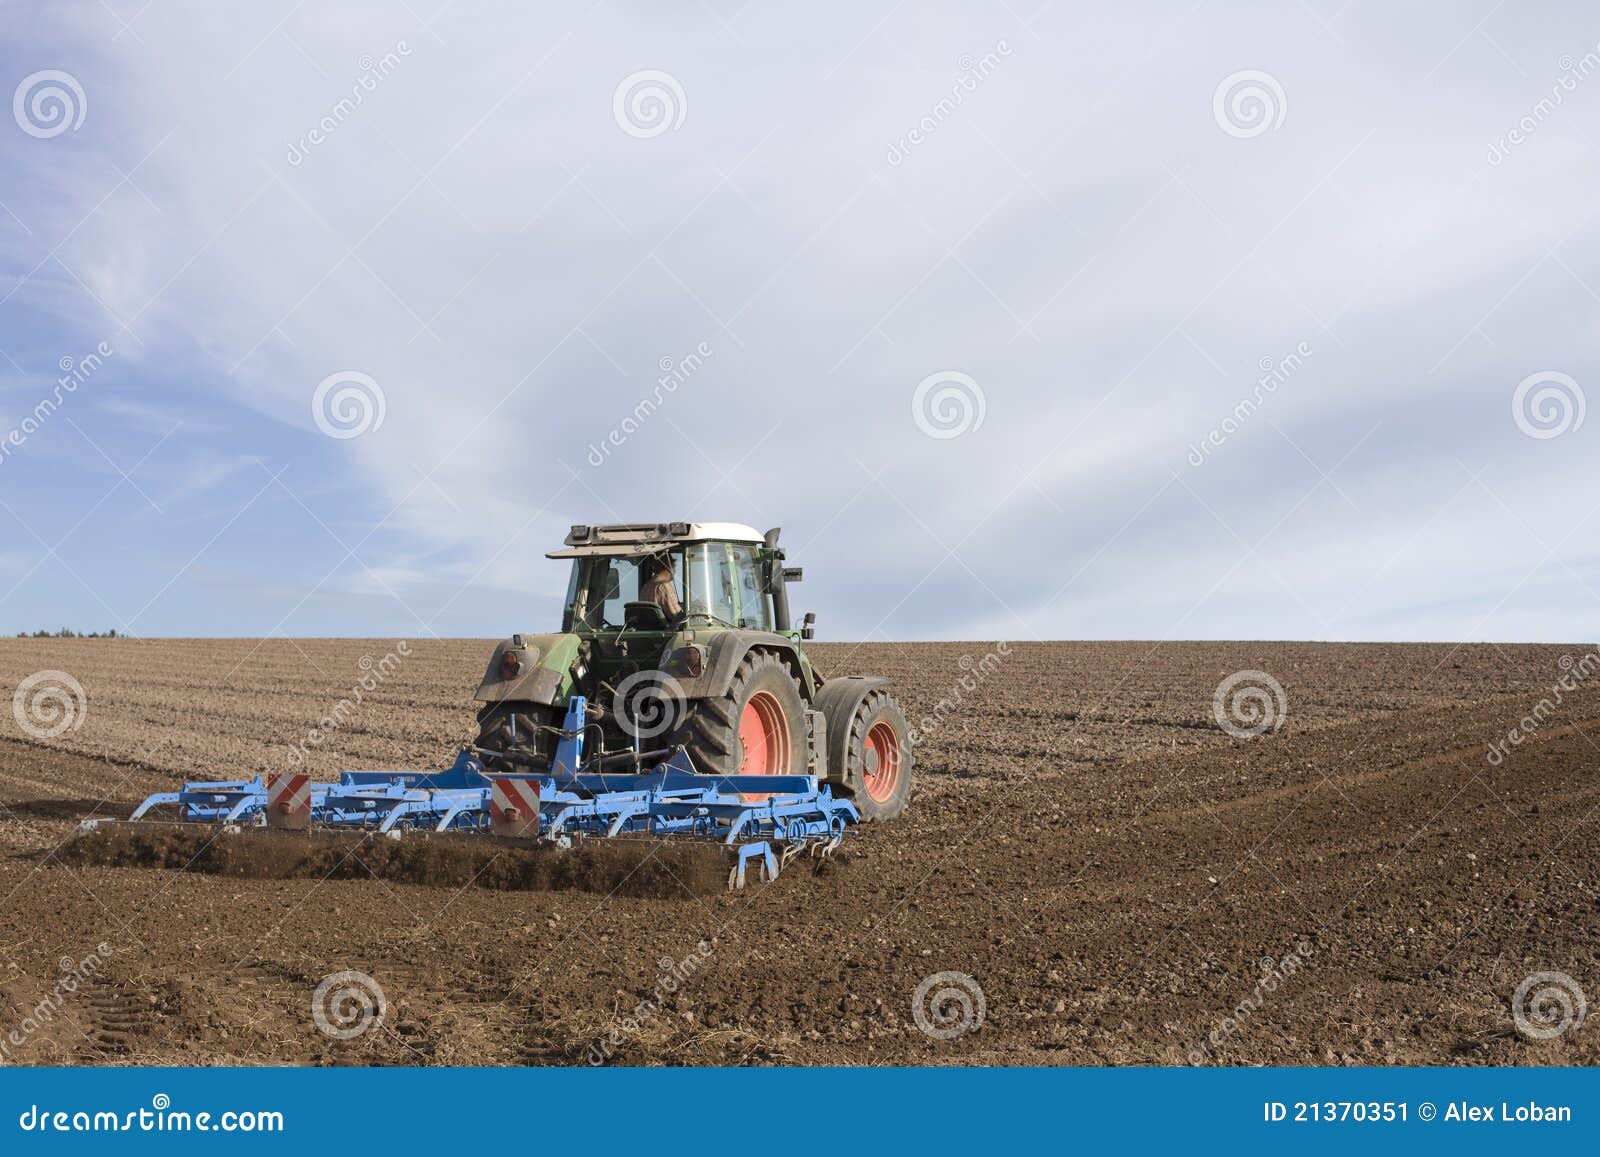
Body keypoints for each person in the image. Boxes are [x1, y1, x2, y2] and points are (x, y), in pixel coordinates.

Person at [638, 553, 682, 621]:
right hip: (664, 629)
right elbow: (676, 615)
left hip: (651, 626)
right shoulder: (664, 586)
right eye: (672, 563)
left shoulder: (646, 586)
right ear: (667, 566)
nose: (674, 566)